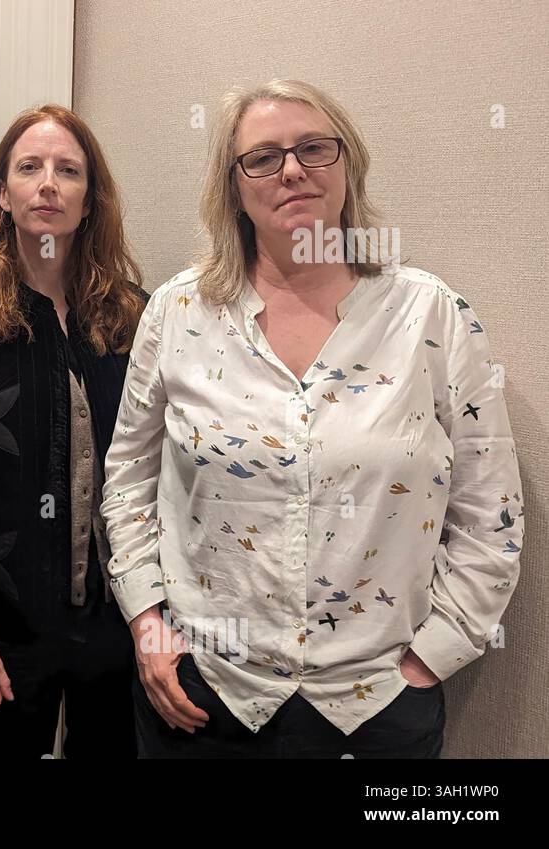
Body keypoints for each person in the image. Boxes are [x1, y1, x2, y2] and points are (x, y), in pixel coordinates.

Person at [100, 79, 523, 758]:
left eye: (313, 149)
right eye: (262, 157)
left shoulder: (429, 317)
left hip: (377, 704)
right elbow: (127, 480)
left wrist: (430, 659)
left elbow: (490, 505)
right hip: (204, 694)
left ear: (347, 164)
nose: (292, 169)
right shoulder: (179, 314)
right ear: (232, 188)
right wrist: (149, 623)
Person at [0, 105, 146, 758]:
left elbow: (162, 469)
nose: (48, 183)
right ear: (3, 192)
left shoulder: (137, 318)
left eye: (67, 170)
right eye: (30, 167)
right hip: (9, 629)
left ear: (89, 198)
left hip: (122, 623)